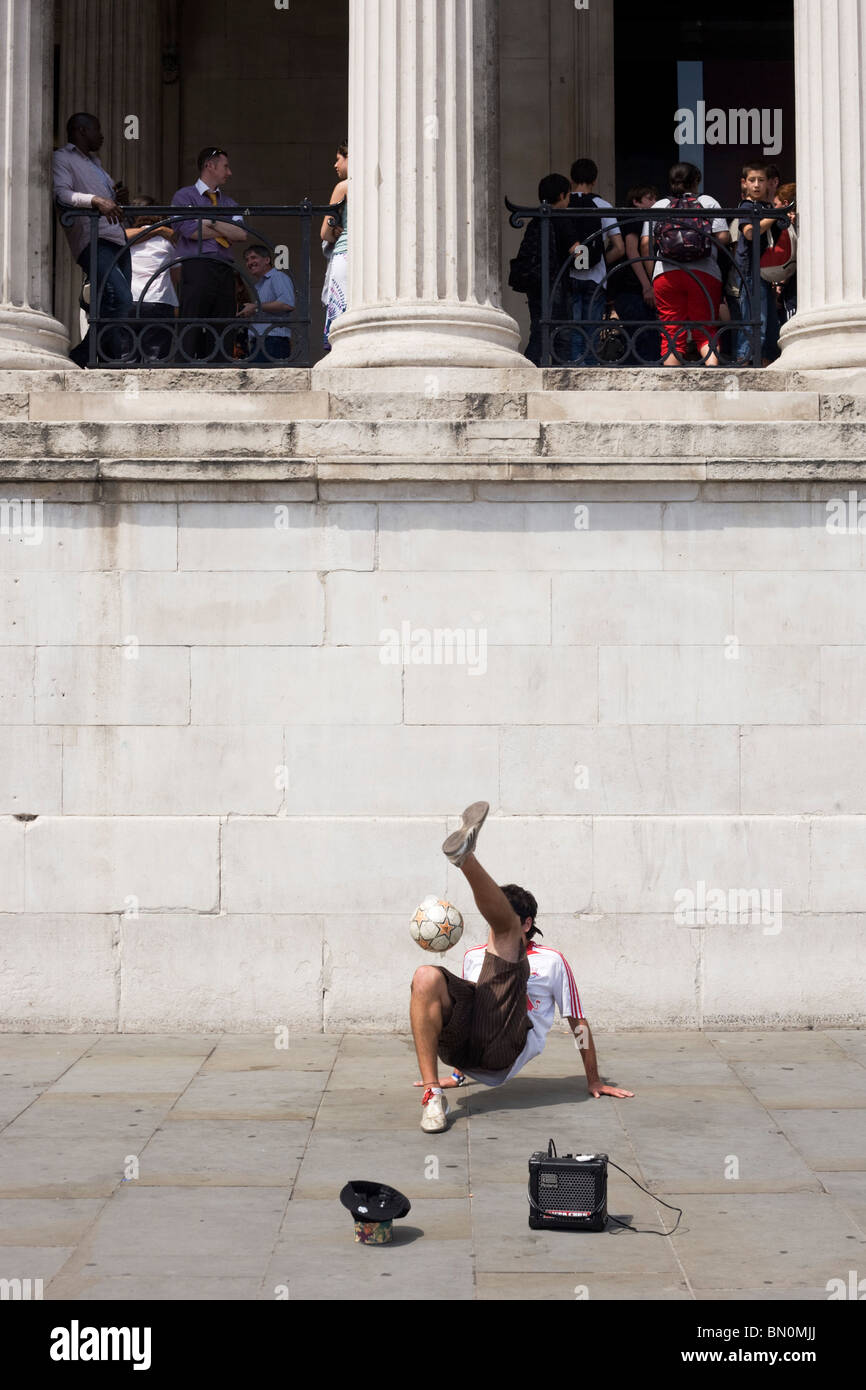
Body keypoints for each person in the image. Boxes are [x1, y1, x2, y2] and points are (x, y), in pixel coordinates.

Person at [410, 801, 634, 1133]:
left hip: (507, 1047)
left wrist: (594, 1080)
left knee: (505, 951)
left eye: (505, 915)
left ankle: (464, 858)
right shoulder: (473, 956)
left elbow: (577, 1021)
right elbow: (470, 1013)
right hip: (467, 1047)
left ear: (527, 923)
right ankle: (433, 1096)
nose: (495, 920)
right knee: (425, 976)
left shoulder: (552, 961)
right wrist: (459, 1074)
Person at [53, 113, 132, 367]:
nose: (102, 135)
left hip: (117, 239)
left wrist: (117, 197)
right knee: (121, 300)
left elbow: (111, 203)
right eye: (97, 129)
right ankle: (81, 356)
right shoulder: (62, 158)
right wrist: (96, 200)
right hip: (94, 240)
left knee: (111, 305)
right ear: (81, 130)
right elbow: (62, 194)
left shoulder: (96, 163)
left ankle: (109, 362)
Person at [639, 162, 730, 368]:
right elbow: (723, 237)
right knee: (705, 330)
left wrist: (652, 275)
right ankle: (713, 380)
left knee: (672, 333)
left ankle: (671, 389)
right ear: (696, 180)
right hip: (704, 273)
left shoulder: (659, 205)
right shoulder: (707, 202)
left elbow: (645, 244)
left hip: (666, 275)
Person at [171, 147, 247, 362]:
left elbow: (241, 234)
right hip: (196, 265)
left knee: (223, 322)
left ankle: (220, 366)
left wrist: (210, 221)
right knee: (192, 319)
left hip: (225, 267)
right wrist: (224, 225)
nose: (229, 172)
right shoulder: (184, 196)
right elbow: (189, 231)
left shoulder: (229, 202)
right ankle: (184, 367)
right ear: (209, 166)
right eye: (226, 166)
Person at [508, 173, 582, 366]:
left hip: (537, 284)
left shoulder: (537, 220)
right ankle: (558, 374)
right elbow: (577, 252)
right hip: (556, 284)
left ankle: (532, 368)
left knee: (540, 331)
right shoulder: (561, 218)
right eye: (568, 195)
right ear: (562, 195)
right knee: (561, 335)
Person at [567, 158, 624, 366]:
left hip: (570, 274)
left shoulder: (564, 204)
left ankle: (574, 365)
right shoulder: (603, 205)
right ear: (595, 180)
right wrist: (598, 260)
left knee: (573, 325)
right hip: (596, 277)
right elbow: (619, 248)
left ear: (571, 179)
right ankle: (589, 367)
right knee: (591, 326)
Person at [735, 161, 789, 365]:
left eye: (761, 180)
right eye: (752, 180)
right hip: (750, 270)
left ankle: (764, 359)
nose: (757, 184)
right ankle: (746, 359)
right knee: (754, 317)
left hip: (766, 272)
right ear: (744, 183)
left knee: (768, 320)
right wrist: (774, 216)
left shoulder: (766, 207)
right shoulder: (746, 206)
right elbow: (749, 232)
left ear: (769, 183)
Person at [605, 185, 660, 366]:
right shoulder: (636, 218)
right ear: (636, 202)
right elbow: (631, 250)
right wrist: (647, 285)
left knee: (639, 336)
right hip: (632, 288)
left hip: (627, 288)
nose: (654, 203)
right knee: (642, 336)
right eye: (649, 198)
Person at [124, 196, 178, 362]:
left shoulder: (126, 240)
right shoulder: (166, 243)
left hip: (128, 300)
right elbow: (176, 277)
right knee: (155, 359)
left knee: (125, 358)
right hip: (158, 301)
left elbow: (122, 237)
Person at [238, 244, 295, 364]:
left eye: (254, 257)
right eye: (247, 260)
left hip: (273, 342)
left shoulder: (277, 277)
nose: (249, 262)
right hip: (260, 343)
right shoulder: (260, 285)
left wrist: (255, 307)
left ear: (267, 260)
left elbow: (287, 304)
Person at [321, 143, 348, 349]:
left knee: (341, 319)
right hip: (371, 258)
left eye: (339, 158)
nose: (334, 164)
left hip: (345, 255)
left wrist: (335, 230)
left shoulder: (343, 187)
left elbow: (324, 233)